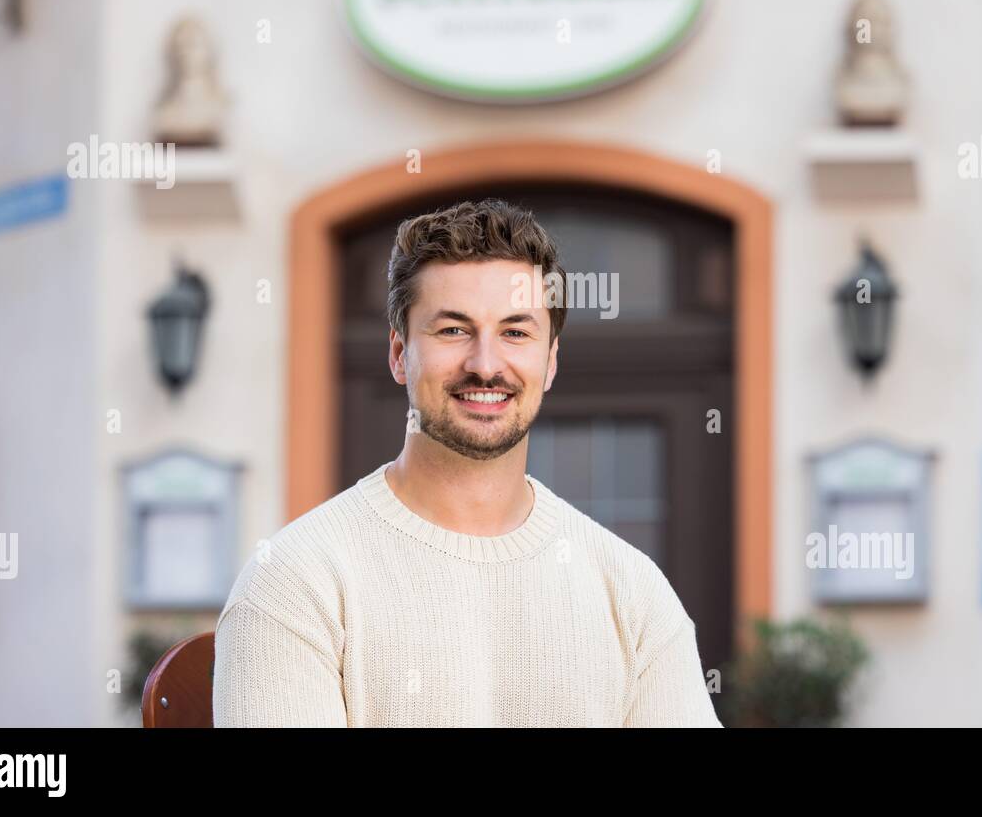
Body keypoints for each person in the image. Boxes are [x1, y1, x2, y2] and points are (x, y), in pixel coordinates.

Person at [212, 198, 721, 727]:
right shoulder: (295, 583)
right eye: (453, 330)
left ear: (549, 362)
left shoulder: (632, 591)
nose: (484, 365)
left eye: (516, 332)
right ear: (398, 353)